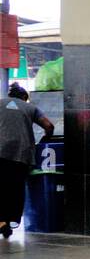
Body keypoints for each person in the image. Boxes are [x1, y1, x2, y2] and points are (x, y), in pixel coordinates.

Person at [0, 84, 56, 239]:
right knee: (16, 187)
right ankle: (12, 221)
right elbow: (49, 126)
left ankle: (1, 221)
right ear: (24, 97)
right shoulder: (30, 108)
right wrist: (47, 138)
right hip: (22, 154)